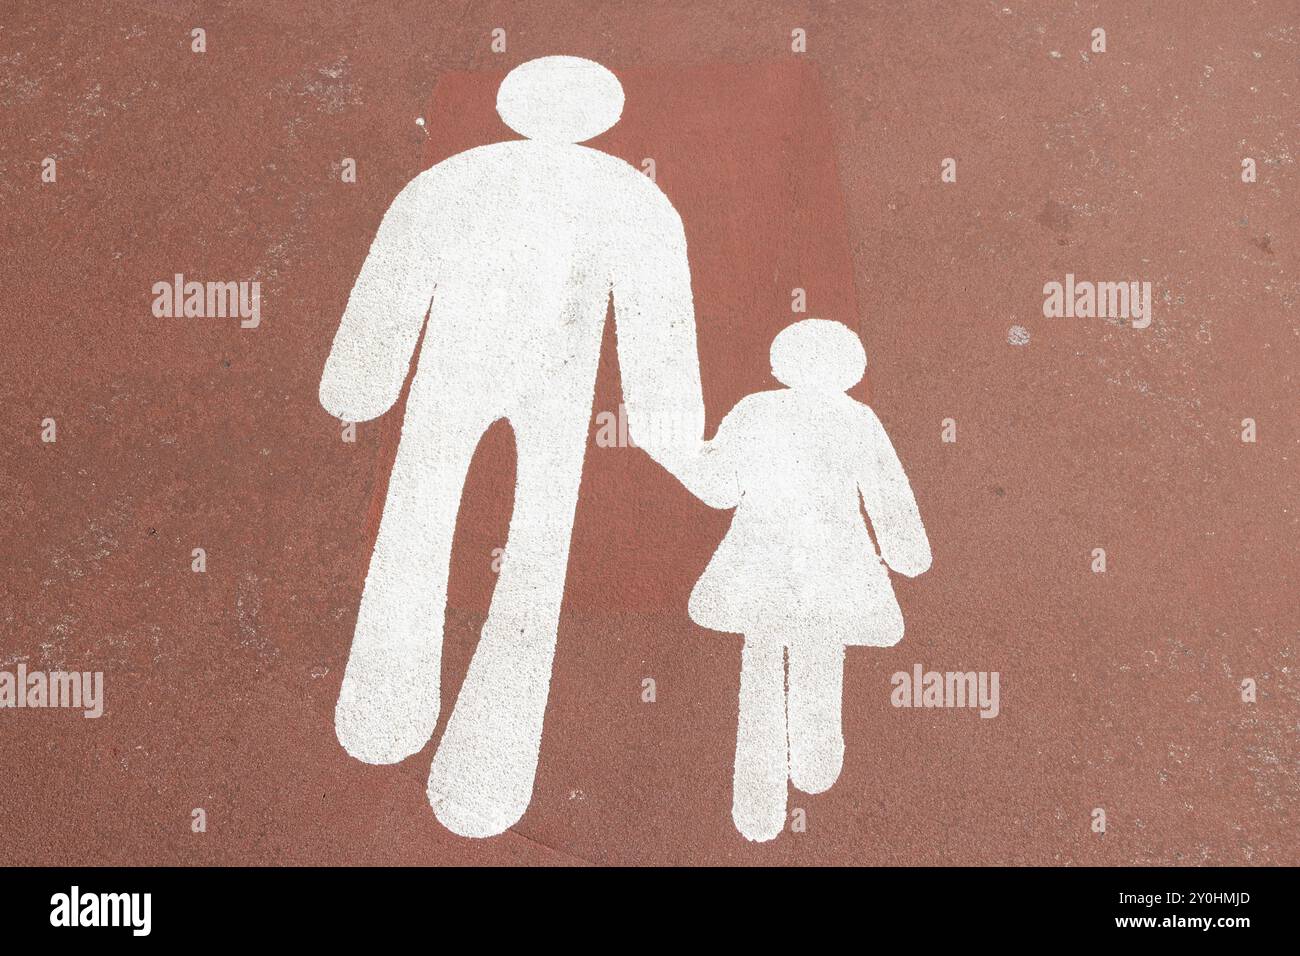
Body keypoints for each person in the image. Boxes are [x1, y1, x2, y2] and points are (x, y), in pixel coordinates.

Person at [319, 56, 708, 838]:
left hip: (452, 371)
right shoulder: (631, 197)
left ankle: (382, 712)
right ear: (603, 113)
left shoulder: (452, 181)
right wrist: (669, 423)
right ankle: (488, 768)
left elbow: (393, 281)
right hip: (554, 383)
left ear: (512, 104)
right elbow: (656, 312)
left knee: (416, 519)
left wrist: (360, 384)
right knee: (535, 552)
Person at [686, 319, 932, 842]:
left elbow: (720, 488)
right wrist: (906, 554)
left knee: (760, 659)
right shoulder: (857, 419)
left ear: (783, 361)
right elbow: (887, 492)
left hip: (761, 557)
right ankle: (815, 760)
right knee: (820, 650)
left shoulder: (755, 409)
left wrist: (685, 450)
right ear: (850, 366)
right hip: (834, 561)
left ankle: (758, 799)